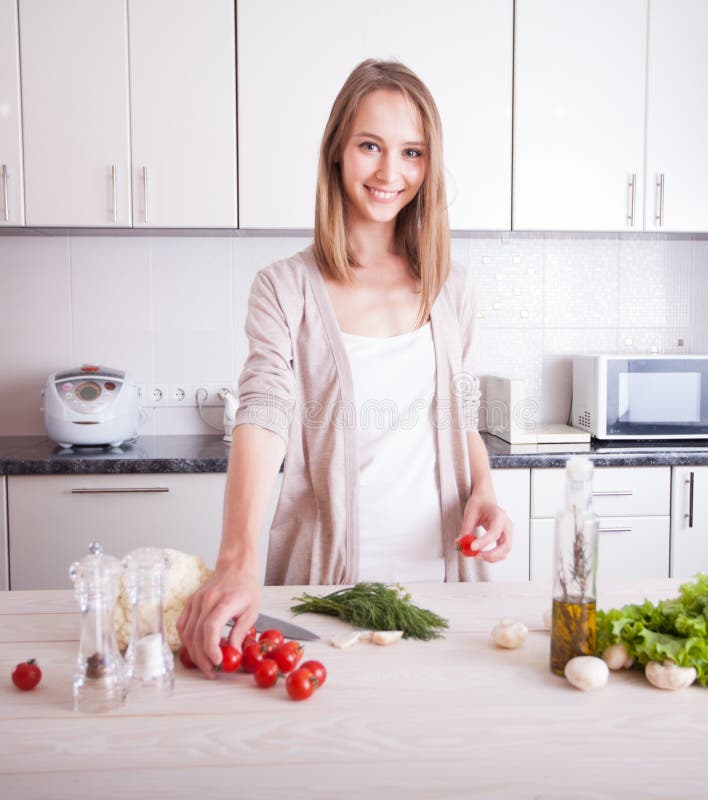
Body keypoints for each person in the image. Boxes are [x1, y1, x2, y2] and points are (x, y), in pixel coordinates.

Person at [177, 59, 512, 677]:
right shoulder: (286, 289)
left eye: (412, 152)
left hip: (442, 585)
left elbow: (458, 406)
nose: (391, 172)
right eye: (370, 146)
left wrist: (484, 490)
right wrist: (237, 558)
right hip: (325, 594)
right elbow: (264, 410)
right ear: (336, 152)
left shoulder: (450, 288)